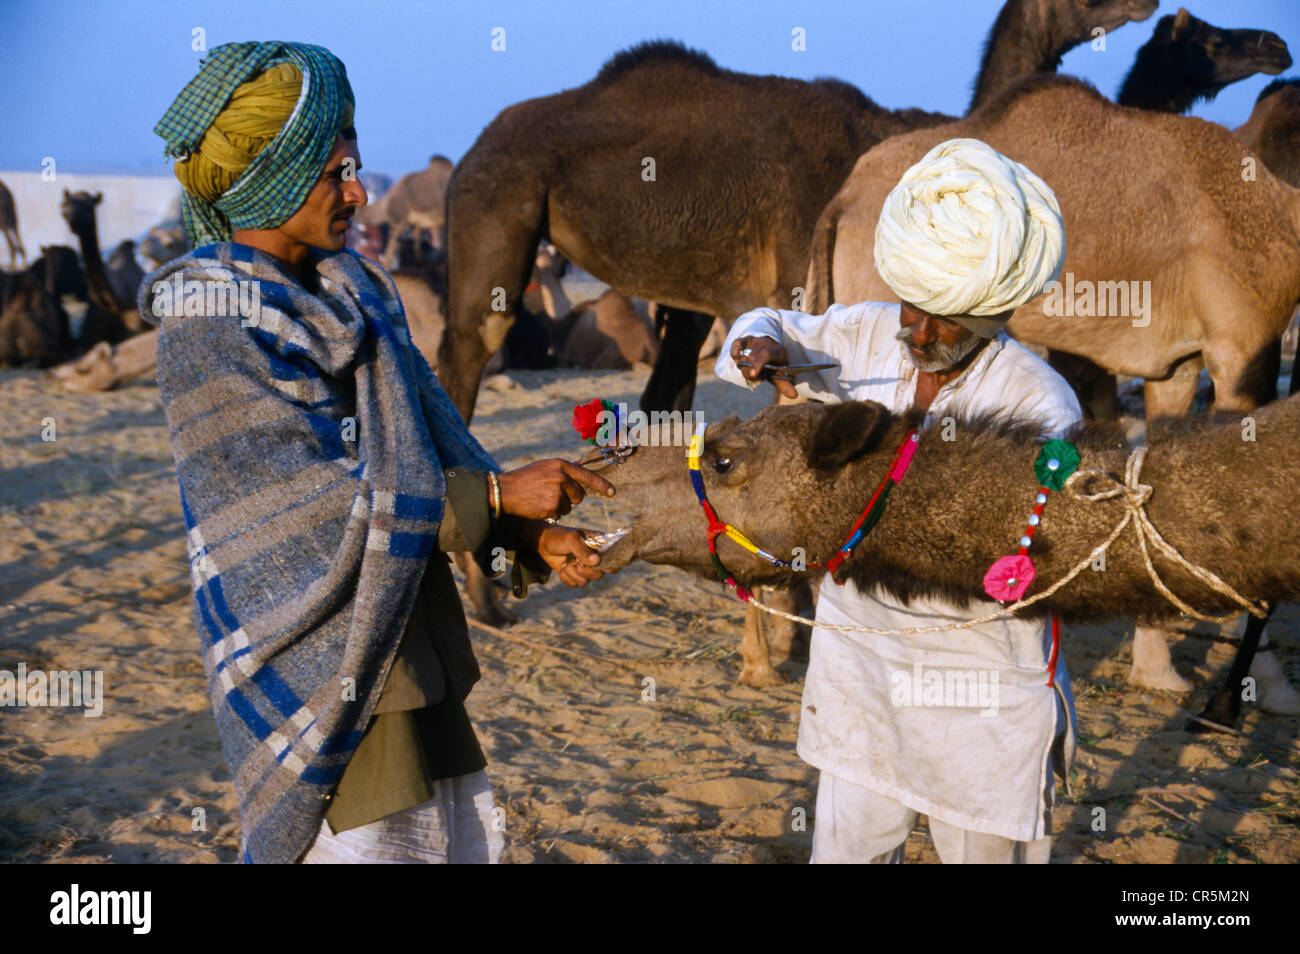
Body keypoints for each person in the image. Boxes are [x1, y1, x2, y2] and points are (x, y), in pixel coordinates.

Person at [141, 41, 613, 864]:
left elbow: (432, 435)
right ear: (273, 180)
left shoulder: (359, 291)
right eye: (336, 175)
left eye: (355, 168)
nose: (359, 193)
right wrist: (497, 500)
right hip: (320, 661)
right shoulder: (209, 324)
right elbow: (306, 513)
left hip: (407, 637)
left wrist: (525, 534)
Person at [717, 138, 1082, 863]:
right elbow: (770, 325)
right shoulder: (868, 335)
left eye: (941, 320)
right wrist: (761, 348)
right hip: (860, 669)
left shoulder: (1039, 403)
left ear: (992, 311)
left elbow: (1038, 550)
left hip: (979, 683)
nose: (915, 332)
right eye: (913, 309)